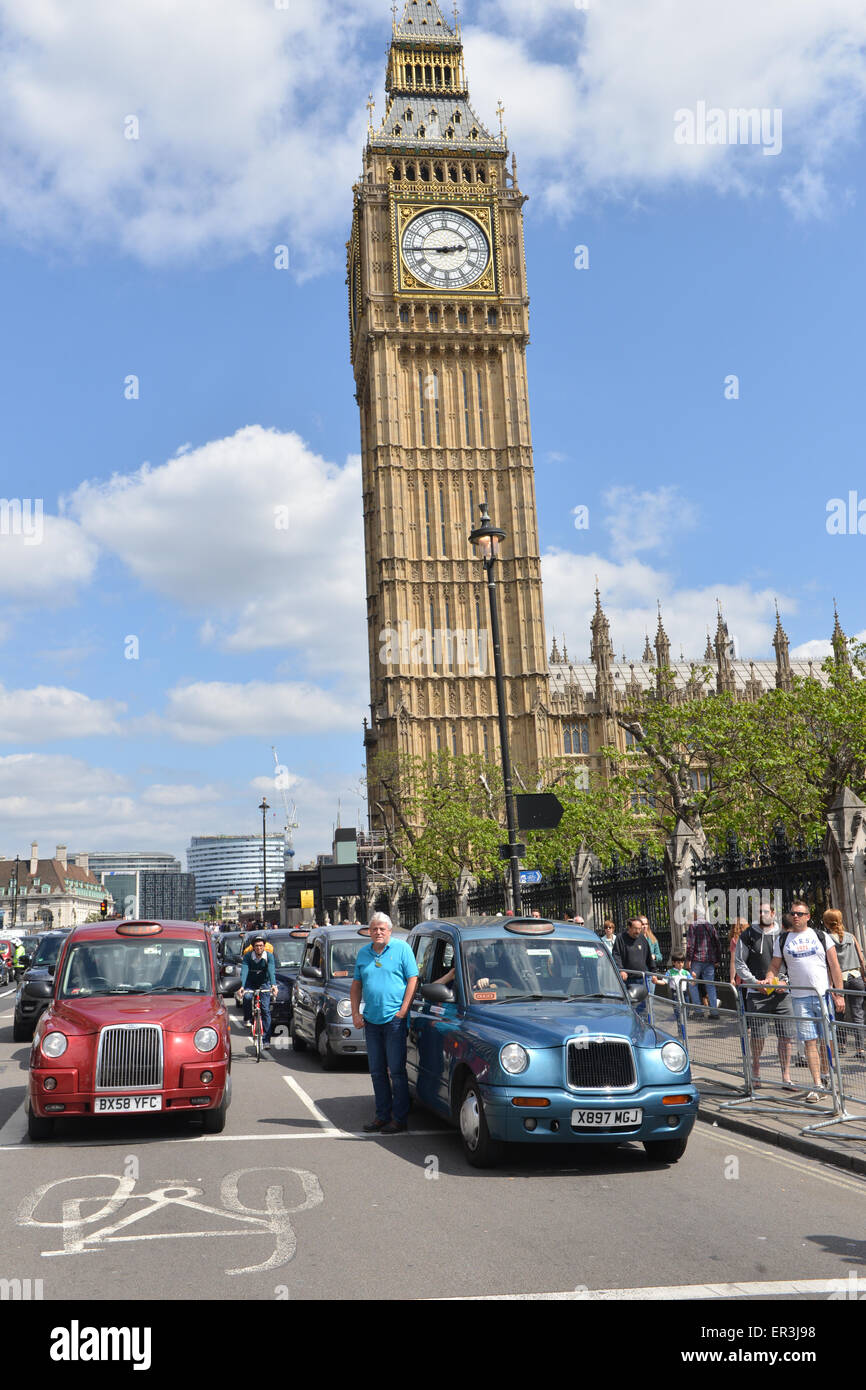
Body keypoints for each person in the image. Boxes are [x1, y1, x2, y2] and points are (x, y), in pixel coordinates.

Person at [761, 900, 844, 1103]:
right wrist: (769, 978)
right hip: (799, 998)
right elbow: (774, 965)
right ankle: (816, 1085)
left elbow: (834, 965)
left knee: (827, 1040)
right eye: (793, 913)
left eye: (799, 913)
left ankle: (826, 1077)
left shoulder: (820, 936)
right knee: (809, 1042)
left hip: (823, 996)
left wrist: (839, 994)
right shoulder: (783, 940)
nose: (795, 916)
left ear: (808, 916)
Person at [351, 912, 418, 1134]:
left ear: (389, 930)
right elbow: (356, 986)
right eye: (374, 929)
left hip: (394, 1021)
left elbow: (412, 979)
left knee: (396, 1071)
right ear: (369, 932)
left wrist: (403, 1010)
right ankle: (382, 1116)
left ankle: (399, 1119)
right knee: (376, 1071)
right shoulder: (363, 953)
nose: (378, 932)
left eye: (382, 929)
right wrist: (355, 1013)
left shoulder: (402, 949)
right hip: (371, 1020)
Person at [735, 904, 795, 1090]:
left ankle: (786, 1076)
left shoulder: (783, 936)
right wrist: (754, 982)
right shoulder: (747, 935)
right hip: (757, 993)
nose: (762, 914)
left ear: (773, 914)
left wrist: (785, 982)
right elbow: (739, 962)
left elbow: (792, 962)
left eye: (766, 911)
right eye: (759, 912)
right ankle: (756, 1070)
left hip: (781, 993)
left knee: (786, 1036)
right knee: (759, 1036)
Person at [823, 908, 866, 1057]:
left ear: (827, 923)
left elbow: (828, 963)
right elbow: (861, 959)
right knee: (858, 1013)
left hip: (838, 980)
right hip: (855, 977)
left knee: (839, 1013)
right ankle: (861, 1048)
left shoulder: (827, 939)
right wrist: (864, 975)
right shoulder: (851, 937)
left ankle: (841, 1044)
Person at [237, 933, 278, 1046]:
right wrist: (242, 986)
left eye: (261, 945)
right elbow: (244, 971)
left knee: (265, 1009)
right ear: (253, 947)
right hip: (250, 982)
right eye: (256, 946)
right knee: (247, 996)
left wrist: (273, 985)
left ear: (264, 946)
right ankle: (248, 1019)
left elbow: (271, 970)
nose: (259, 948)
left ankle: (266, 1040)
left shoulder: (269, 956)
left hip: (264, 983)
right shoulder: (248, 957)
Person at [612, 918, 660, 1001]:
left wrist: (654, 972)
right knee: (629, 1003)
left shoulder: (642, 939)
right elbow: (616, 955)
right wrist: (621, 970)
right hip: (627, 979)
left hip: (641, 978)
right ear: (629, 927)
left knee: (643, 1006)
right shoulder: (620, 938)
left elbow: (648, 957)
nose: (637, 931)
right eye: (635, 929)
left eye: (639, 929)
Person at [685, 911, 721, 1016]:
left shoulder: (693, 926)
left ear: (696, 915)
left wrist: (688, 959)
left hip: (696, 959)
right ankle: (714, 1012)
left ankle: (698, 1011)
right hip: (709, 960)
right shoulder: (710, 926)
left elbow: (690, 945)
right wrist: (717, 959)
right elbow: (717, 942)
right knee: (710, 985)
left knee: (692, 984)